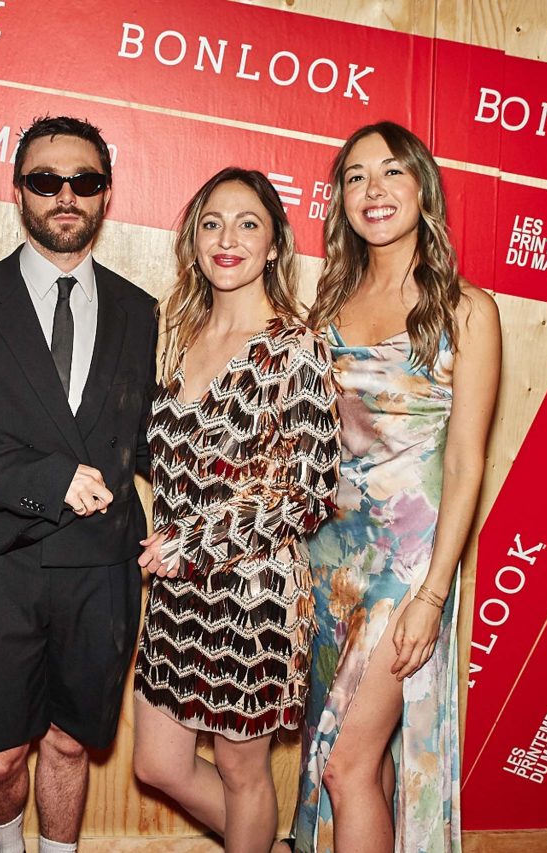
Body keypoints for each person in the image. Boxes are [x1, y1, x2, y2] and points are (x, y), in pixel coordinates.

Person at [0, 116, 157, 853]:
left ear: (106, 194)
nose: (65, 195)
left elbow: (161, 441)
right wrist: (49, 477)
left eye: (83, 181)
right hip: (2, 563)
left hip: (103, 568)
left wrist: (207, 515)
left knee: (67, 745)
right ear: (18, 190)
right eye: (46, 180)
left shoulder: (142, 311)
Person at [291, 122, 502, 853]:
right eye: (355, 177)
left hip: (407, 567)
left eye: (390, 173)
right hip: (329, 563)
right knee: (359, 764)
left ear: (423, 188)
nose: (372, 190)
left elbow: (468, 461)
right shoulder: (325, 308)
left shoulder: (466, 311)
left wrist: (434, 593)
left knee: (345, 764)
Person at [131, 167, 340, 853]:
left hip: (251, 596)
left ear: (275, 243)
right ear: (193, 240)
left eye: (248, 222)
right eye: (212, 222)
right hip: (174, 594)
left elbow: (309, 492)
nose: (228, 238)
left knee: (241, 771)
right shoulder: (175, 335)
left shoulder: (294, 348)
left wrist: (197, 540)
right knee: (155, 762)